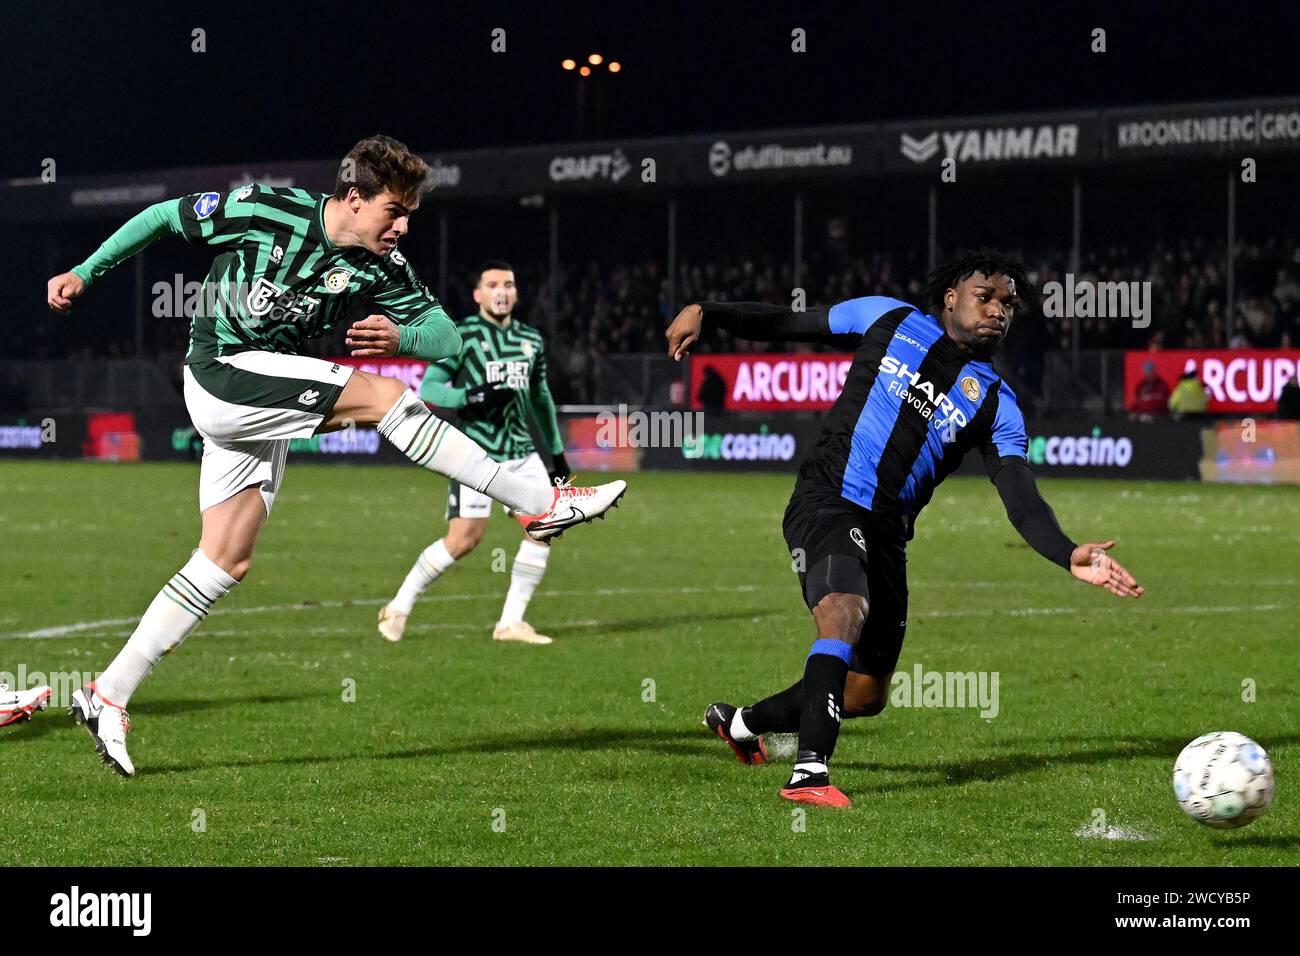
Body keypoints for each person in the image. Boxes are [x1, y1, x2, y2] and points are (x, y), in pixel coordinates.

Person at [42, 135, 625, 776]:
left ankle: (107, 694)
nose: (403, 227)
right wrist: (84, 271)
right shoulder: (267, 208)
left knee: (224, 560)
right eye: (394, 212)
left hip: (258, 397)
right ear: (353, 197)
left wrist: (403, 332)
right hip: (219, 371)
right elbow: (160, 217)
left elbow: (446, 334)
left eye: (408, 215)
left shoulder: (382, 264)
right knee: (382, 397)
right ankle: (541, 503)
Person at [665, 249, 1143, 808]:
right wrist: (709, 310)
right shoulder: (887, 318)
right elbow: (788, 322)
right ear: (950, 298)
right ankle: (809, 773)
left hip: (889, 533)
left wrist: (1067, 553)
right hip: (829, 496)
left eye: (1008, 304)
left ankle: (743, 723)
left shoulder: (995, 402)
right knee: (843, 609)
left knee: (866, 693)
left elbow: (1020, 497)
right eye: (984, 297)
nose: (997, 311)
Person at [378, 261, 571, 645]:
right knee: (464, 540)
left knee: (546, 525)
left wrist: (558, 455)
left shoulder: (531, 340)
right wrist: (470, 396)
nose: (502, 290)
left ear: (517, 293)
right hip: (478, 454)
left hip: (522, 451)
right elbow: (430, 388)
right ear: (478, 294)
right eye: (493, 284)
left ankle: (510, 622)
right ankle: (398, 606)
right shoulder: (461, 336)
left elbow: (541, 398)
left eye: (509, 284)